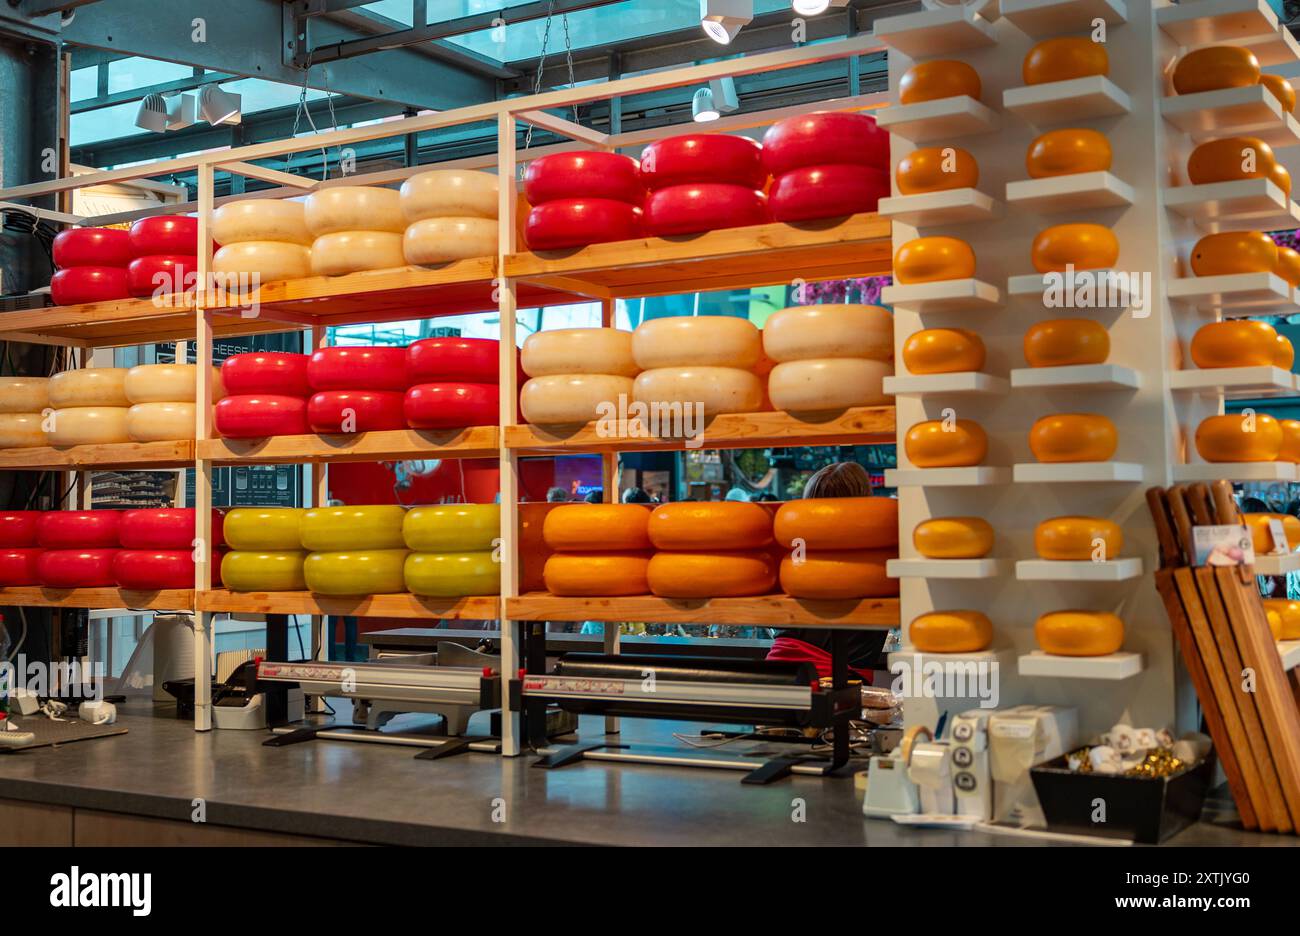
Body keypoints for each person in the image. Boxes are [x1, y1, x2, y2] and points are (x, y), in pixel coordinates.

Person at [765, 462, 891, 681]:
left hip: (778, 674)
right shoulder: (877, 563)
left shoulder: (794, 558)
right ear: (864, 502)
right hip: (839, 682)